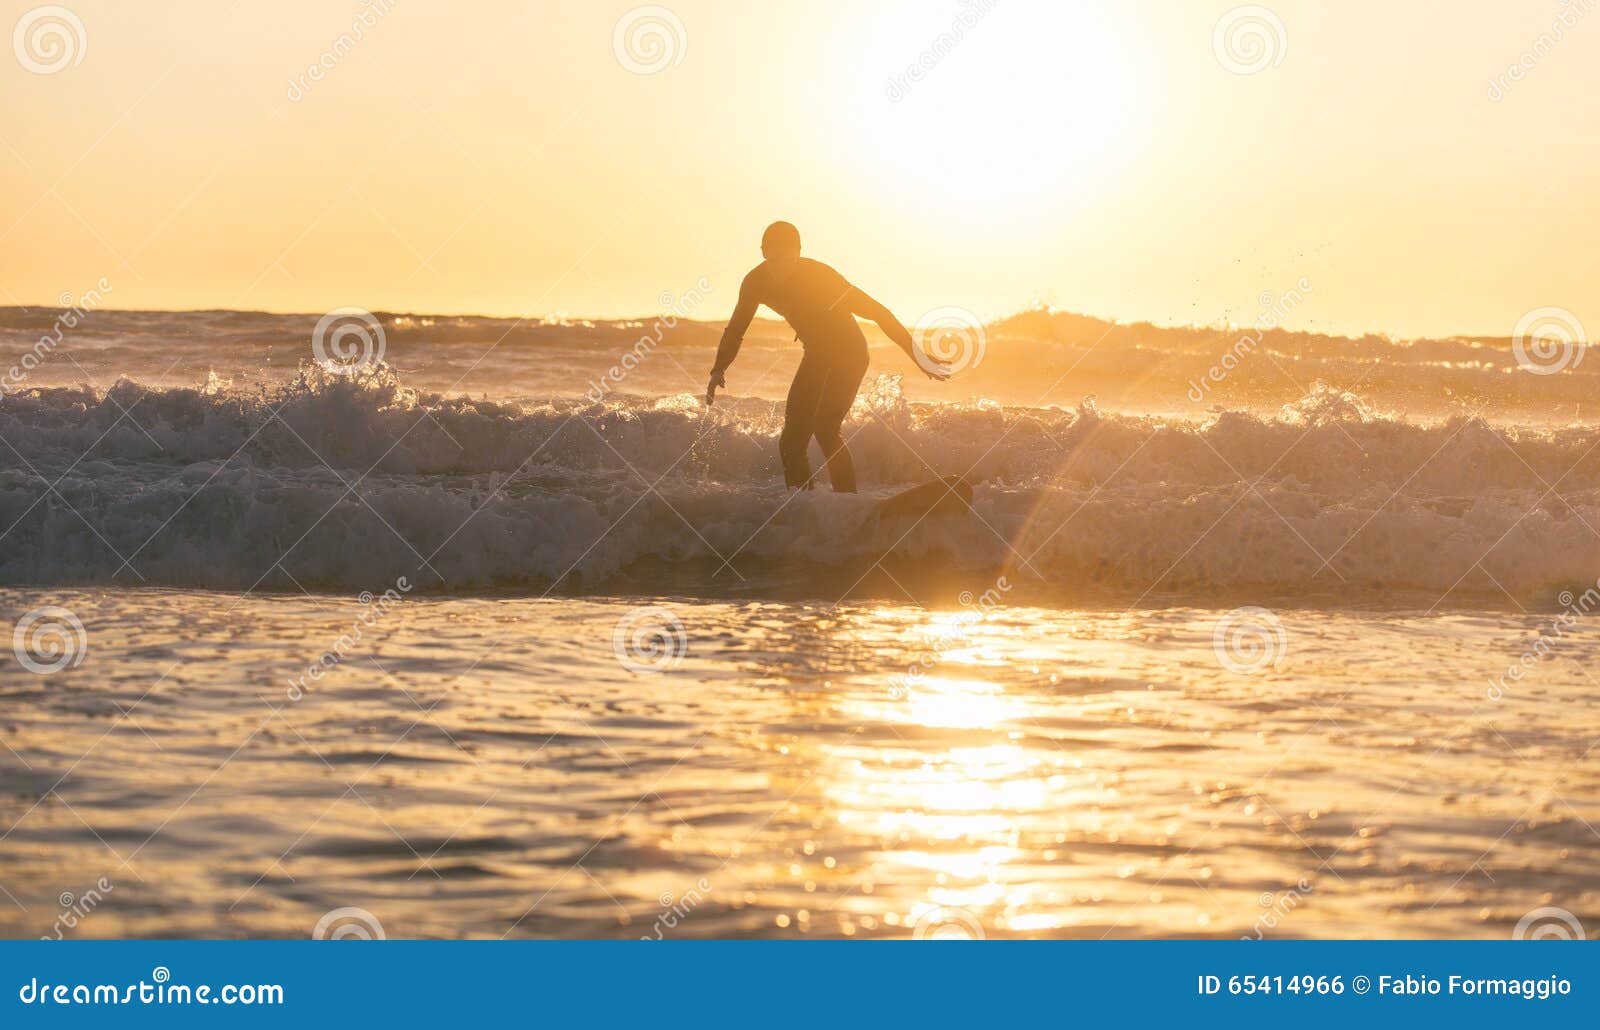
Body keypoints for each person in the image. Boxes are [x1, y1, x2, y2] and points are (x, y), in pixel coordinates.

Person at [705, 221, 949, 492]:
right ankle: (803, 504)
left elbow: (878, 313)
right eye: (774, 260)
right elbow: (737, 328)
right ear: (763, 253)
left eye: (787, 259)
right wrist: (719, 368)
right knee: (790, 442)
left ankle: (848, 501)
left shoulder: (821, 277)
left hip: (850, 354)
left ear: (799, 252)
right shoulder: (755, 282)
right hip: (816, 356)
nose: (781, 267)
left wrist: (918, 356)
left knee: (825, 428)